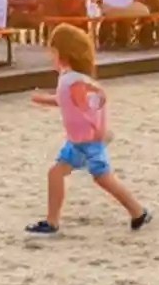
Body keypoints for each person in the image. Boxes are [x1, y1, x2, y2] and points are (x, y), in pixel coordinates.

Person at [25, 24, 151, 236]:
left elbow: (91, 106)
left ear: (62, 54)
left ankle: (138, 211)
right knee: (56, 173)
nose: (50, 57)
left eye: (52, 53)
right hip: (76, 142)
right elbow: (69, 103)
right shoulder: (71, 79)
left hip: (88, 141)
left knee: (103, 178)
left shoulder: (73, 81)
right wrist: (43, 99)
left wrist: (100, 130)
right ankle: (52, 221)